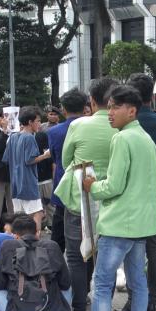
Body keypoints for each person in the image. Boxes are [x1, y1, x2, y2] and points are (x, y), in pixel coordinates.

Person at [77, 85, 156, 311]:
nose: (110, 112)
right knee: (138, 284)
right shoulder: (146, 139)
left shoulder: (122, 139)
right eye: (109, 106)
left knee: (102, 285)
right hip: (142, 224)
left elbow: (114, 186)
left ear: (132, 110)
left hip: (119, 223)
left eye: (115, 107)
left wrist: (93, 186)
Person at [55, 77, 120, 311]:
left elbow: (66, 159)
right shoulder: (123, 127)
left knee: (76, 256)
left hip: (80, 196)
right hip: (113, 196)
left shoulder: (79, 125)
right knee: (109, 256)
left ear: (91, 102)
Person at [115, 73, 156, 311]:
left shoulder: (123, 124)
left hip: (128, 193)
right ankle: (151, 300)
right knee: (154, 245)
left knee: (131, 248)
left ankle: (133, 300)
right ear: (152, 95)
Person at [0, 214, 71, 311]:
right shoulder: (52, 246)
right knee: (66, 286)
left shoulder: (8, 246)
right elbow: (66, 283)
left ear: (15, 236)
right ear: (38, 233)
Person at [48, 89, 90, 251]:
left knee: (58, 234)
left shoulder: (54, 131)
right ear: (85, 107)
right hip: (87, 183)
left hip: (63, 184)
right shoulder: (92, 128)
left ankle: (54, 270)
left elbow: (53, 156)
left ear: (63, 109)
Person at [2, 106, 51, 230]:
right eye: (38, 121)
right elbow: (30, 160)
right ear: (30, 122)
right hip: (28, 182)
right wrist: (45, 155)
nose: (39, 124)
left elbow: (6, 159)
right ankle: (34, 239)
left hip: (16, 182)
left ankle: (18, 239)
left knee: (19, 217)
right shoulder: (29, 137)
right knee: (37, 213)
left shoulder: (13, 137)